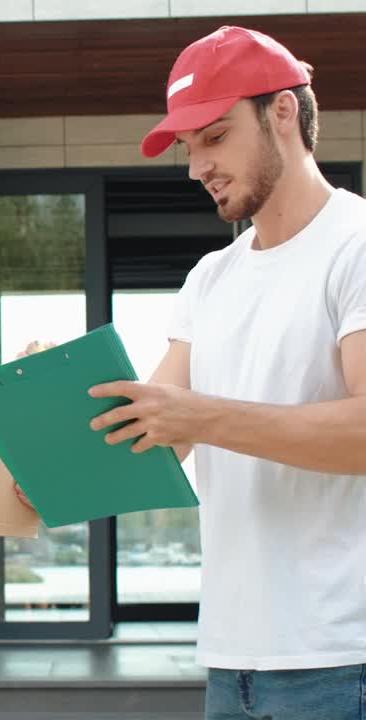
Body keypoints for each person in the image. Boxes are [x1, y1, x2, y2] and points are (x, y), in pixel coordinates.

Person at [85, 26, 366, 719]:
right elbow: (150, 432)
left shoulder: (355, 247)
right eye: (188, 147)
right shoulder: (211, 277)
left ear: (283, 113)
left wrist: (204, 416)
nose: (195, 166)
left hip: (339, 659)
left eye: (213, 136)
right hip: (228, 662)